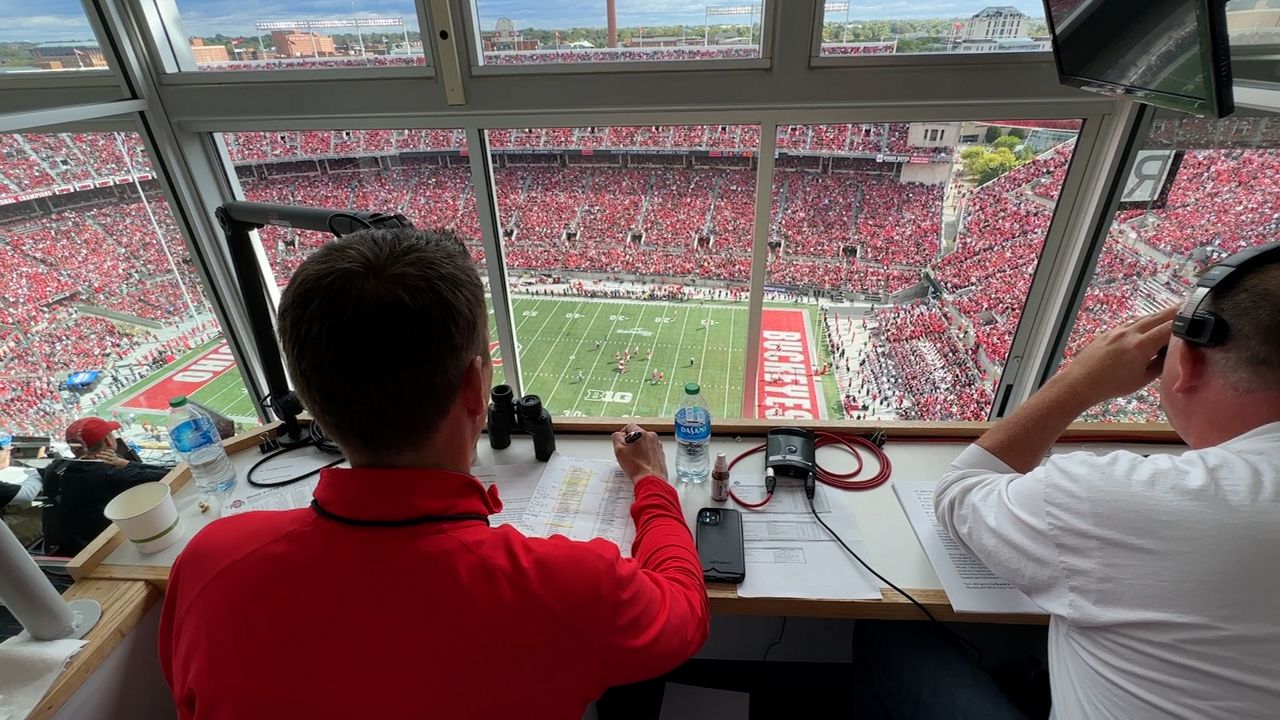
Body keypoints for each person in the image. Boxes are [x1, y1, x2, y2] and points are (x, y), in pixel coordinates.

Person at [159, 229, 709, 719]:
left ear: (311, 398)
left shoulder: (210, 561)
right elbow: (685, 612)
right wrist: (652, 485)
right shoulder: (567, 588)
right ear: (475, 390)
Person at [928, 258, 1280, 718]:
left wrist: (1079, 381)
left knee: (895, 641)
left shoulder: (1122, 494)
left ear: (1188, 361)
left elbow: (960, 491)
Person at [42, 417, 170, 556]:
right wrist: (125, 463)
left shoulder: (57, 469)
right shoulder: (110, 473)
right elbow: (168, 475)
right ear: (108, 441)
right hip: (105, 550)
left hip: (71, 547)